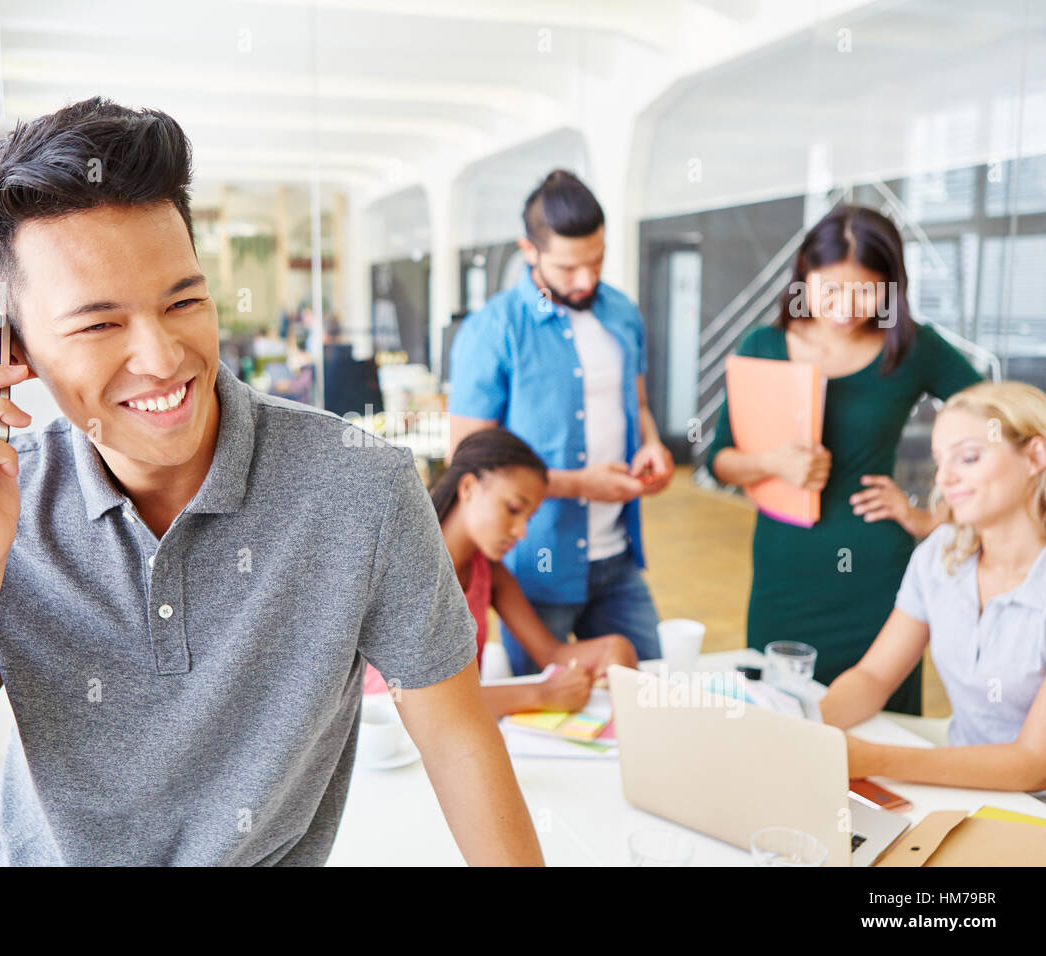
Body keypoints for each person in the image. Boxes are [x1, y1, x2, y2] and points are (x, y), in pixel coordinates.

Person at [0, 97, 543, 866]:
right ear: (13, 348)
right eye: (100, 324)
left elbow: (460, 743)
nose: (164, 357)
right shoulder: (2, 500)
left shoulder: (359, 487)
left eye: (183, 300)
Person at [707, 205, 982, 714]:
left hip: (876, 573)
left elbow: (1000, 425)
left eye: (863, 291)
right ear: (803, 277)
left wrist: (929, 515)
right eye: (829, 289)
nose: (844, 306)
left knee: (879, 724)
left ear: (889, 287)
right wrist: (771, 463)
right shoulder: (763, 346)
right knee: (778, 713)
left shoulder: (914, 349)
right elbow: (718, 460)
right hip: (784, 569)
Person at [448, 170, 672, 677]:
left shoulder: (622, 314)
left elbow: (637, 405)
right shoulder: (493, 330)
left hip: (618, 557)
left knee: (650, 694)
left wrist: (653, 444)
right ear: (530, 250)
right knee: (543, 711)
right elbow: (467, 455)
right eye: (569, 267)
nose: (586, 280)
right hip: (536, 565)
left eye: (596, 261)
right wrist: (579, 485)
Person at [819, 382, 1046, 795]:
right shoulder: (941, 554)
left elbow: (1032, 765)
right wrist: (811, 726)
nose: (946, 479)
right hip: (962, 787)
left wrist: (869, 759)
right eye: (940, 462)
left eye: (969, 457)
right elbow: (872, 677)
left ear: (1035, 456)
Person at [364, 428, 638, 716]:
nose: (521, 532)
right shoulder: (408, 566)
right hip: (389, 739)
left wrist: (613, 647)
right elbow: (413, 700)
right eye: (513, 508)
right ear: (468, 487)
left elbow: (551, 654)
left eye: (529, 518)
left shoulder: (489, 572)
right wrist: (541, 694)